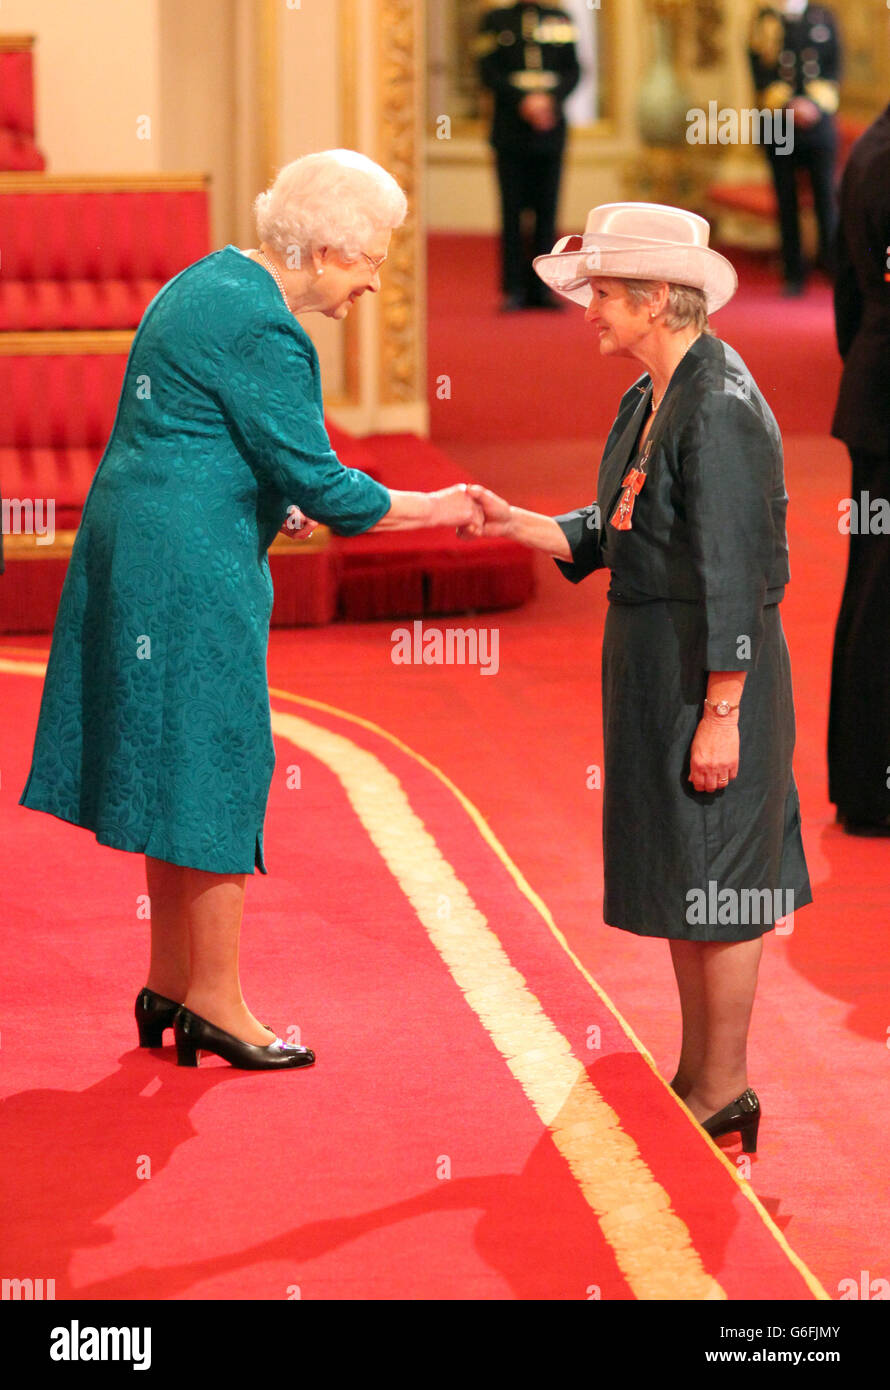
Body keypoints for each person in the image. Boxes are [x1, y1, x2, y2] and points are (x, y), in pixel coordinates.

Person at [19, 149, 482, 1071]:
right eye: (368, 262)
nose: (373, 284)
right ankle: (219, 1006)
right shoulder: (271, 332)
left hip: (136, 538)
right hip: (191, 564)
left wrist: (276, 494)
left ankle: (169, 983)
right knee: (222, 754)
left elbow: (209, 433)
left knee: (168, 755)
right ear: (316, 250)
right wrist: (440, 507)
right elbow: (329, 487)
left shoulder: (209, 279)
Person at [459, 203, 812, 1150]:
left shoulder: (723, 406)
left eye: (605, 295)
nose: (591, 313)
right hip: (659, 665)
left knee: (724, 878)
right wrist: (517, 523)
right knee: (686, 872)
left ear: (661, 299)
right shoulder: (652, 393)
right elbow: (622, 522)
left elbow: (738, 573)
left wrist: (723, 713)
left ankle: (726, 1087)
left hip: (710, 668)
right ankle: (698, 1074)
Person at [828, 104, 890, 834]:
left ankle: (866, 778)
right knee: (880, 605)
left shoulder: (872, 140)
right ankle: (872, 788)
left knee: (872, 595)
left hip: (876, 387)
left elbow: (847, 291)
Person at [476, 1, 580, 312]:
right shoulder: (494, 20)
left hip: (550, 130)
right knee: (511, 212)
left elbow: (573, 70)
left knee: (547, 211)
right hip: (511, 130)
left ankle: (543, 289)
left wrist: (549, 101)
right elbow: (487, 70)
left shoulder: (561, 18)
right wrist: (524, 101)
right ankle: (514, 289)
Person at [748, 0, 842, 296]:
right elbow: (758, 71)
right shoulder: (764, 19)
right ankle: (793, 273)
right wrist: (790, 104)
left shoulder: (823, 17)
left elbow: (835, 67)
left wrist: (812, 105)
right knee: (785, 200)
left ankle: (832, 267)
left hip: (819, 123)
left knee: (826, 200)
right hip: (779, 123)